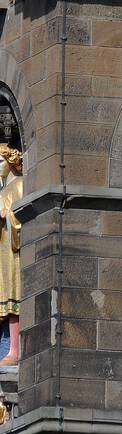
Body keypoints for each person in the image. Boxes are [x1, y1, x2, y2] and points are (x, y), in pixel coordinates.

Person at [0, 144, 23, 368]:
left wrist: (7, 215)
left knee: (15, 297)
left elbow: (22, 216)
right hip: (1, 252)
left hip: (12, 250)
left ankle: (15, 350)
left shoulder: (19, 184)